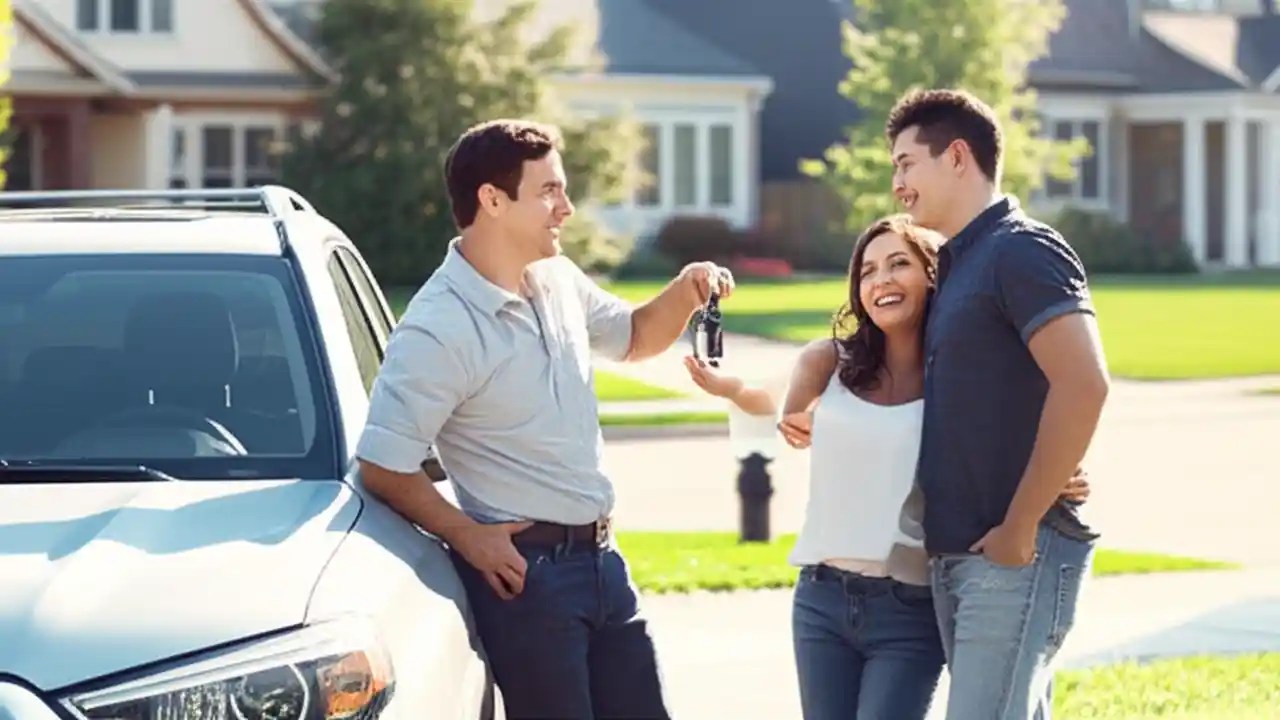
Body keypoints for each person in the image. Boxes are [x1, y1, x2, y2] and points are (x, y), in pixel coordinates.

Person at [354, 118, 734, 719]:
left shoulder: (556, 278)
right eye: (550, 192)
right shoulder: (438, 327)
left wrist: (686, 292)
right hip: (527, 582)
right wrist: (467, 536)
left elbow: (632, 336)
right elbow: (381, 465)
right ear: (493, 200)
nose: (568, 208)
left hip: (605, 563)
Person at [683, 213, 1092, 720]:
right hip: (821, 600)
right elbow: (766, 399)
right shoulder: (829, 362)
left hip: (910, 607)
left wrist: (1058, 476)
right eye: (868, 271)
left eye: (899, 264)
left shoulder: (960, 381)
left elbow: (1025, 431)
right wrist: (729, 388)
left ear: (932, 276)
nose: (881, 281)